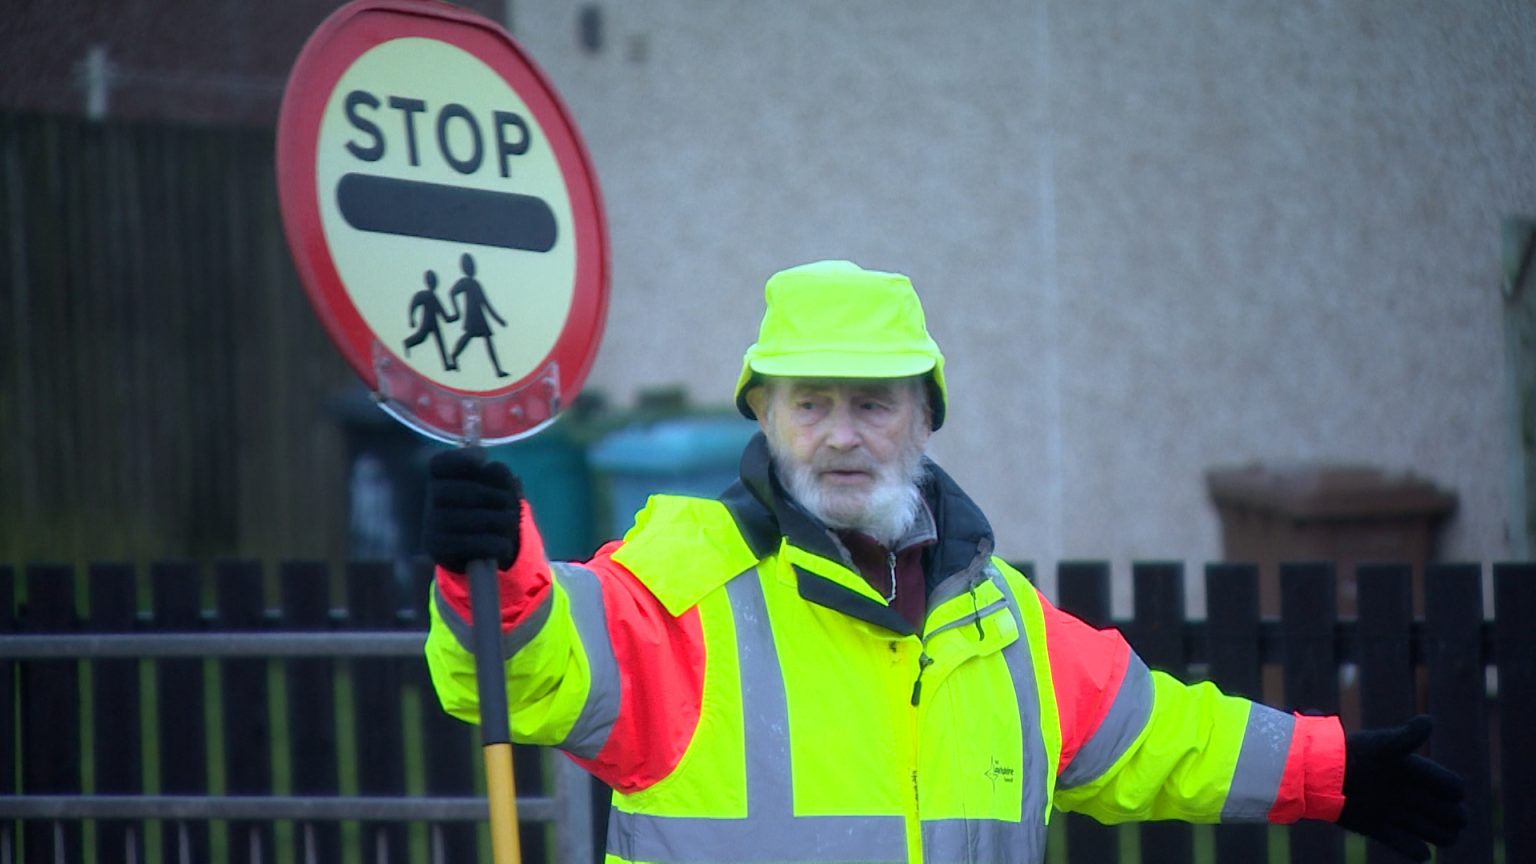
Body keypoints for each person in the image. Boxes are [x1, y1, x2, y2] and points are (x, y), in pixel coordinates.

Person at [422, 260, 1465, 863]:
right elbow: (533, 671)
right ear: (765, 419)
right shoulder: (684, 585)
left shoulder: (998, 619)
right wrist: (499, 573)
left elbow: (1158, 735)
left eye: (872, 404)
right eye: (809, 404)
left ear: (924, 420)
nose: (840, 435)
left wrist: (1328, 771)